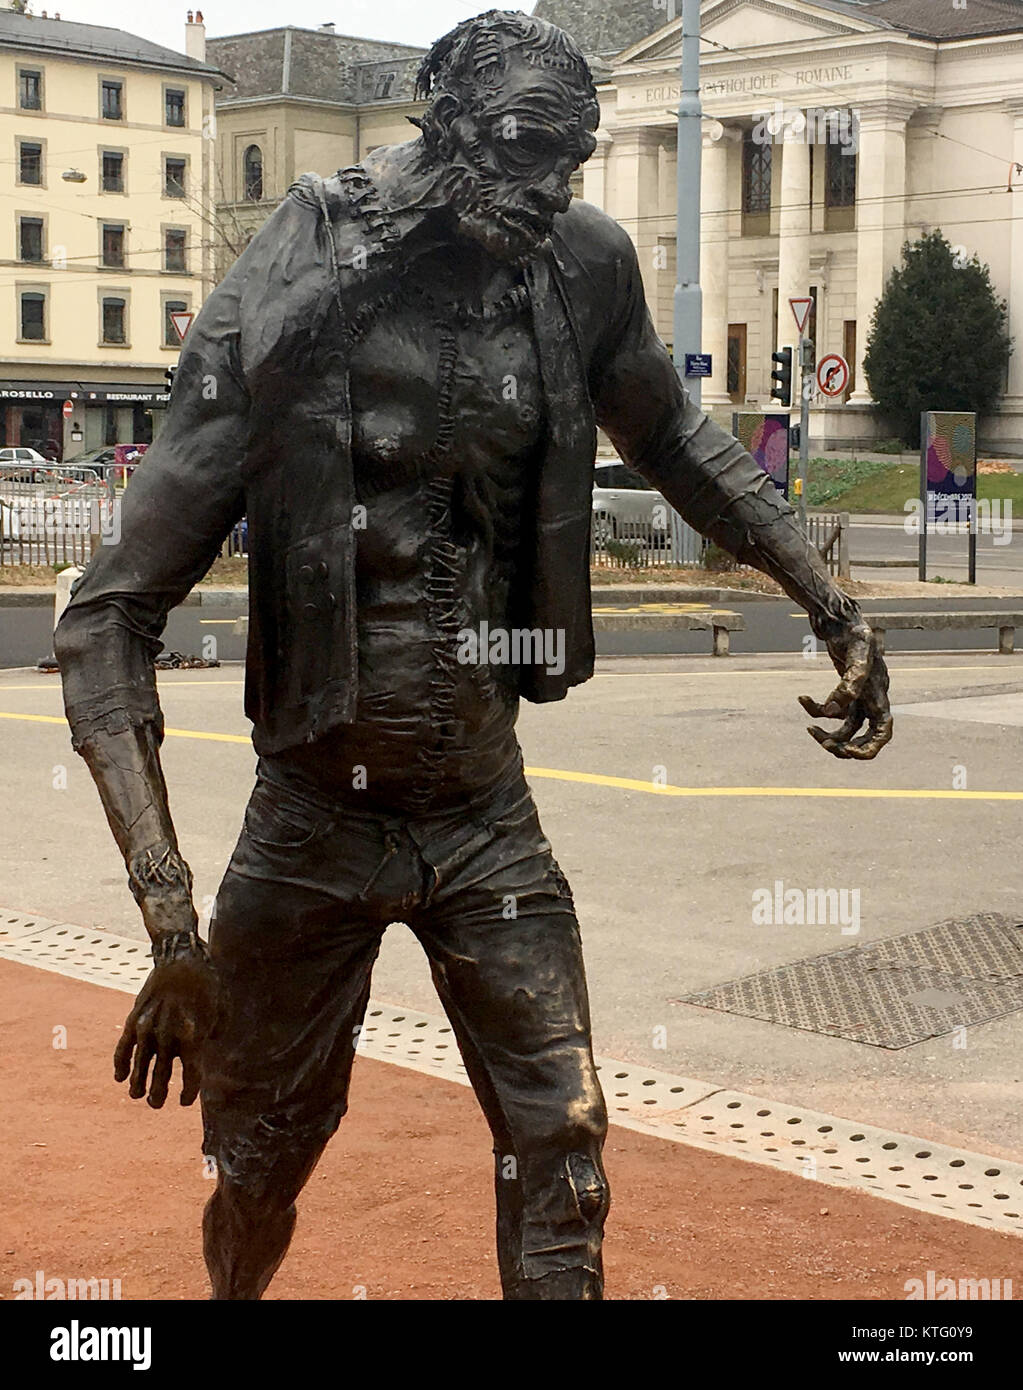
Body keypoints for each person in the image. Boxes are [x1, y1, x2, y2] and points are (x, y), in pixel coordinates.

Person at [55, 9, 892, 1301]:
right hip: (311, 820)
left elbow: (678, 439)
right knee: (263, 1160)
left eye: (572, 159)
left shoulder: (578, 263)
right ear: (442, 132)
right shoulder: (302, 273)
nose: (549, 189)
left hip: (482, 811)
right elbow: (110, 614)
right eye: (523, 153)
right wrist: (172, 921)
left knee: (562, 1136)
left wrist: (831, 596)